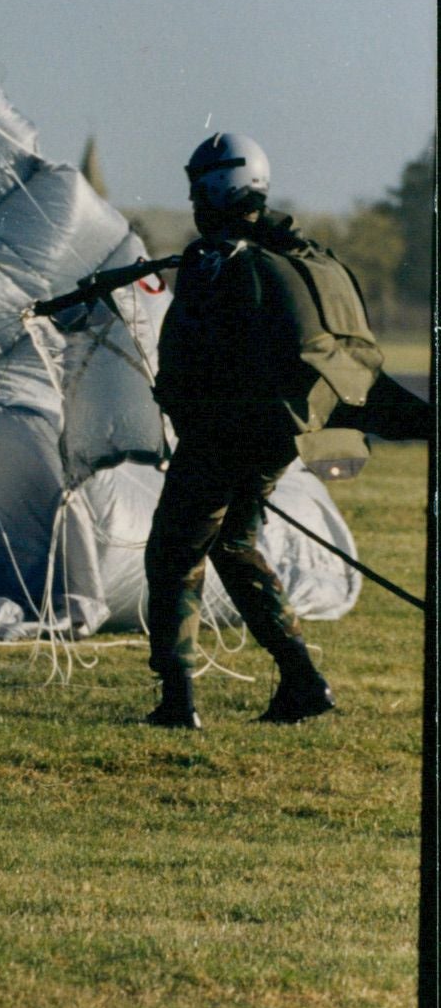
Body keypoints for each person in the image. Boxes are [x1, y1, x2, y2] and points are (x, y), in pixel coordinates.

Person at [144, 131, 388, 730]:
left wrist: (183, 410)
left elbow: (189, 355)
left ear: (215, 186)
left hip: (225, 437)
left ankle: (177, 705)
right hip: (280, 436)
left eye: (200, 188)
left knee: (175, 556)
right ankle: (303, 683)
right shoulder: (303, 254)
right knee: (232, 544)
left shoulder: (219, 261)